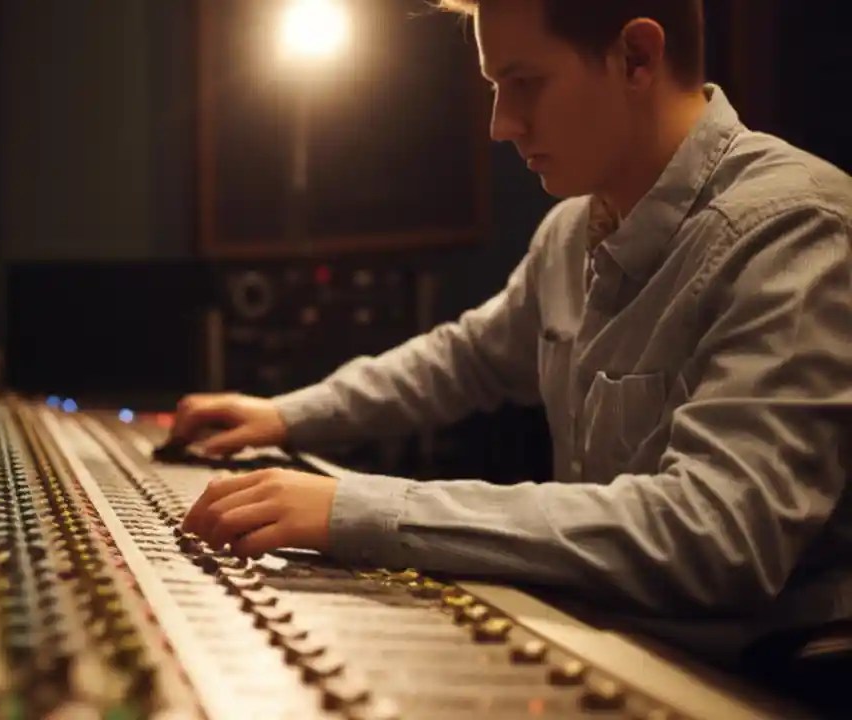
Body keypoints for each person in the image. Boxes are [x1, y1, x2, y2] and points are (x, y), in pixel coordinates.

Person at [174, 0, 852, 673]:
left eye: (524, 83)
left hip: (762, 683)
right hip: (605, 651)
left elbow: (714, 534)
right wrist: (285, 416)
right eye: (496, 88)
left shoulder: (796, 228)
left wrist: (359, 510)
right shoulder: (570, 231)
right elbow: (464, 359)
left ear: (637, 57)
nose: (501, 126)